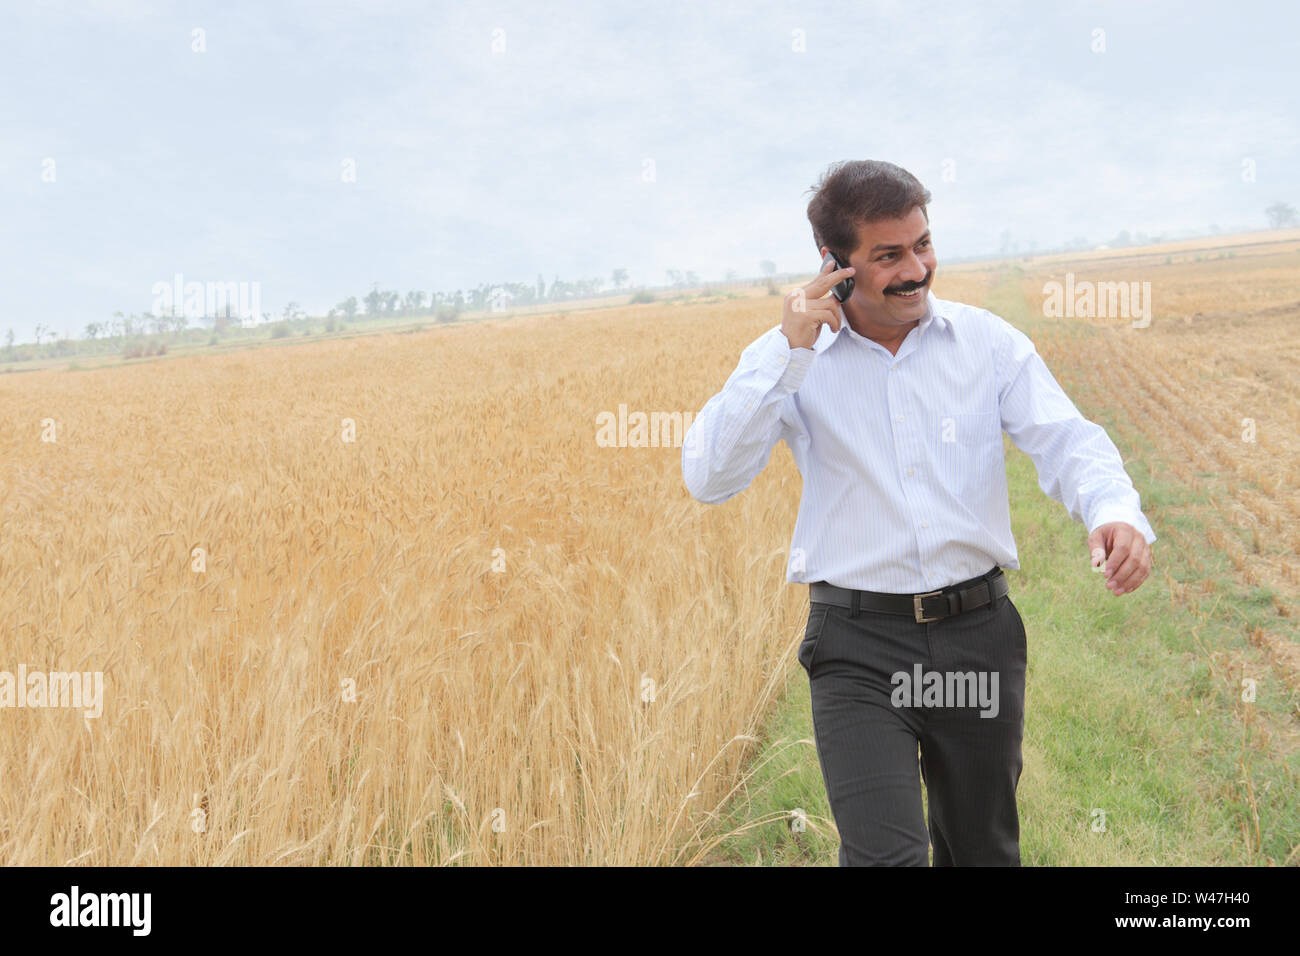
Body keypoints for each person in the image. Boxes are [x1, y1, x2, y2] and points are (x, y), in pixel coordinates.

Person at [680, 159, 1155, 866]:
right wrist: (787, 352)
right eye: (888, 255)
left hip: (978, 636)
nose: (916, 269)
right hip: (856, 647)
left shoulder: (987, 343)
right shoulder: (790, 358)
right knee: (884, 858)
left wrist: (1113, 510)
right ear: (833, 265)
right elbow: (710, 476)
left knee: (982, 851)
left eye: (922, 244)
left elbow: (1068, 440)